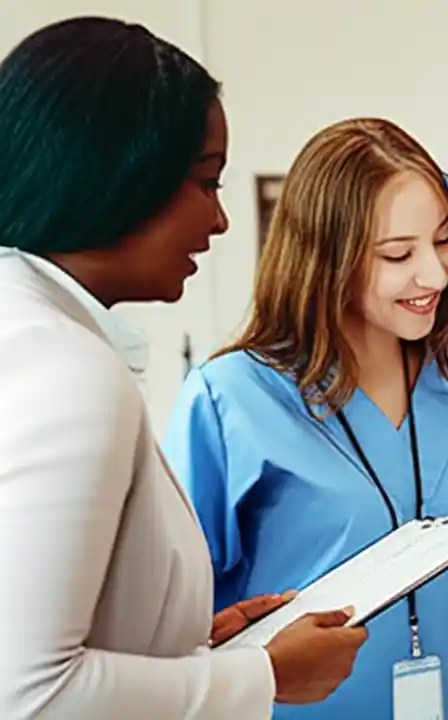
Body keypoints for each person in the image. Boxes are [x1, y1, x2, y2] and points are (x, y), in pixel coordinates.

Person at [0, 17, 366, 719]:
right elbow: (29, 694)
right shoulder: (67, 369)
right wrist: (261, 676)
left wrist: (178, 643)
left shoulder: (35, 328)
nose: (221, 221)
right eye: (206, 182)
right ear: (120, 173)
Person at [162, 118, 448, 720]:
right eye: (397, 254)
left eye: (443, 240)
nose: (435, 274)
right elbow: (171, 631)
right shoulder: (231, 400)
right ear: (326, 260)